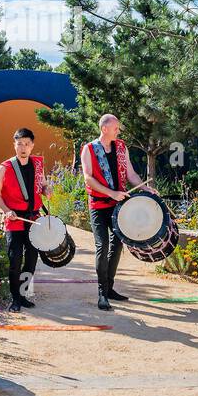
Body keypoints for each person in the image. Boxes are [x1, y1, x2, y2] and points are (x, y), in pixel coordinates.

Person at [80, 113, 136, 310]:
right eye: (115, 128)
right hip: (98, 206)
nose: (118, 131)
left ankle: (109, 287)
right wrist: (111, 193)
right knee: (102, 246)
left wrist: (144, 187)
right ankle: (102, 293)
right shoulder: (89, 149)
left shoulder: (121, 147)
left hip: (116, 205)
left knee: (118, 244)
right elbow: (88, 178)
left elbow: (130, 173)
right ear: (104, 129)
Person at [0, 127, 43, 313]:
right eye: (19, 143)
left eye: (27, 144)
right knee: (15, 260)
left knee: (31, 259)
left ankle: (23, 294)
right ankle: (15, 299)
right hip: (14, 219)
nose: (23, 147)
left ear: (32, 146)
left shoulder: (37, 165)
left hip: (33, 219)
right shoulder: (4, 167)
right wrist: (6, 210)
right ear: (14, 144)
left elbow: (42, 184)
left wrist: (47, 189)